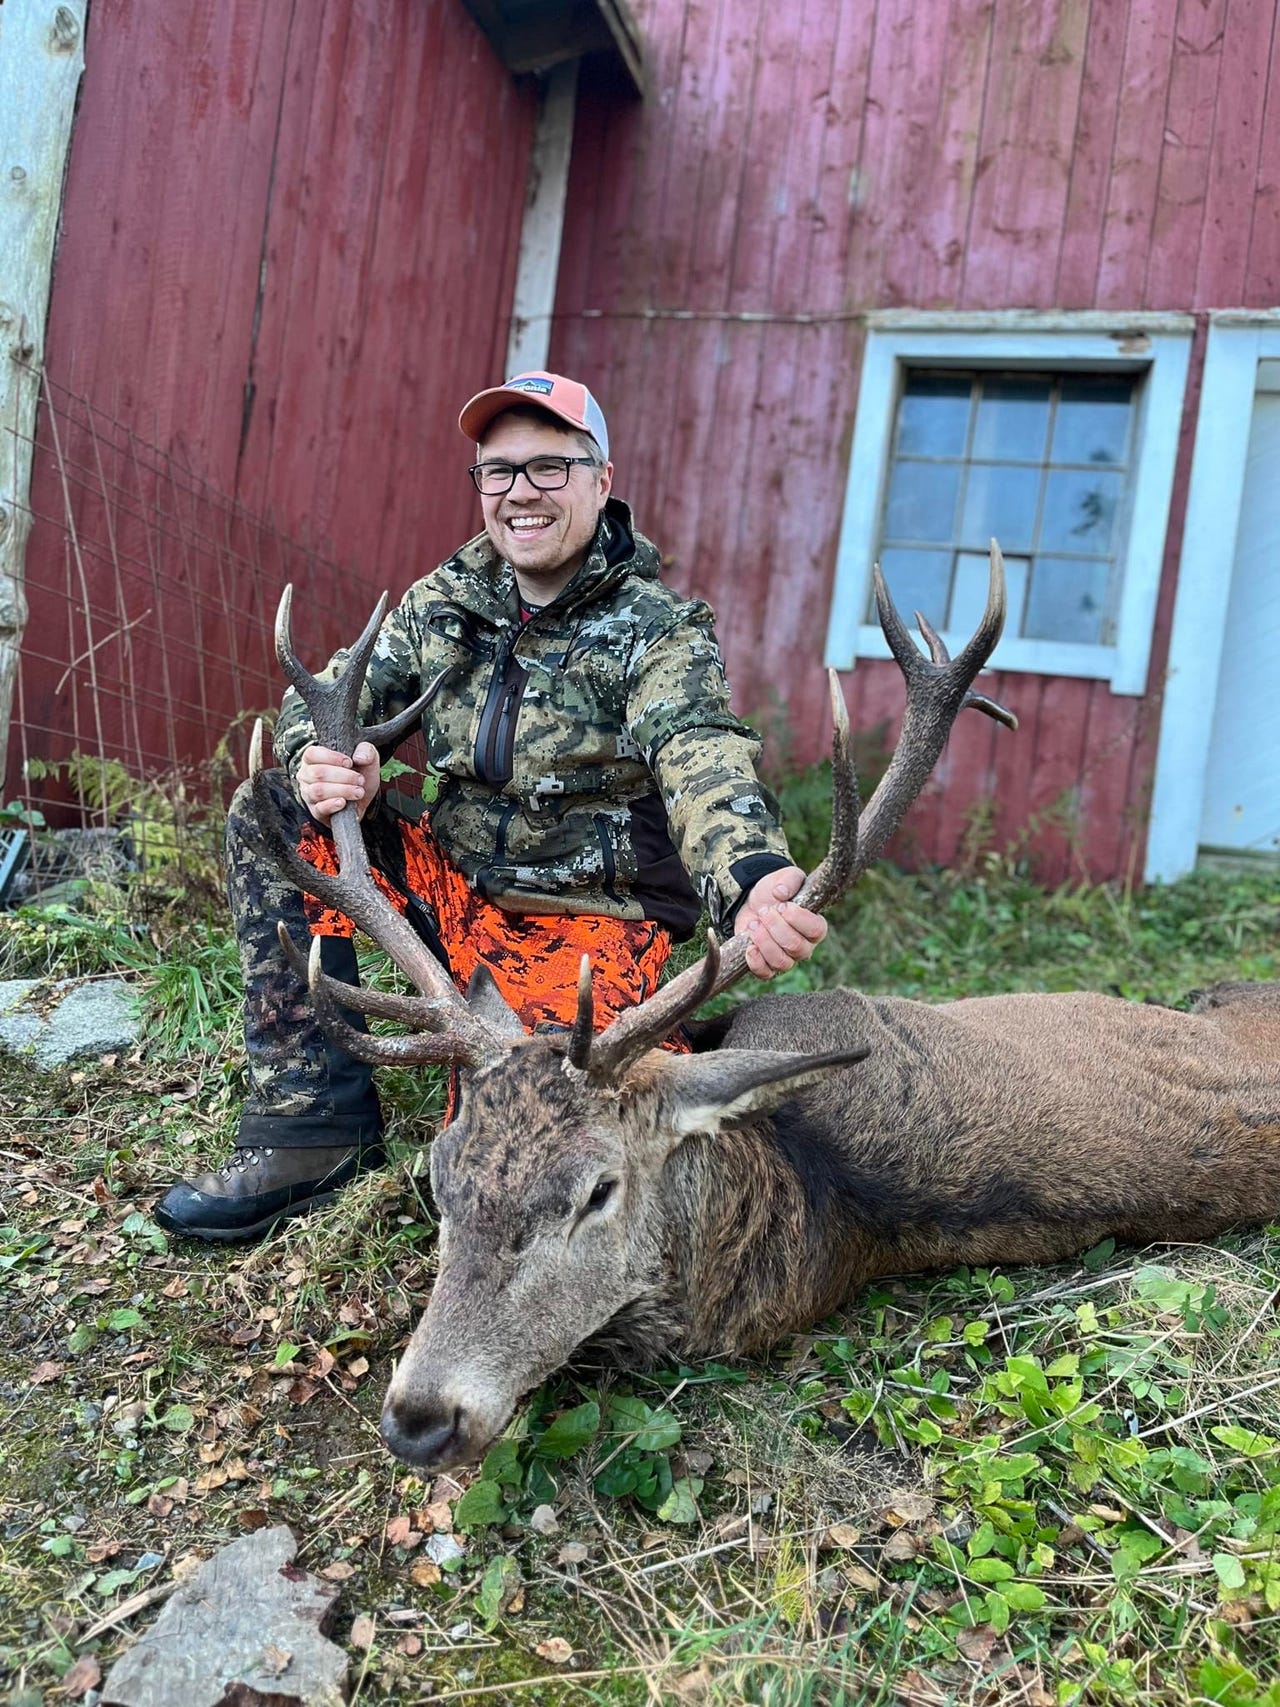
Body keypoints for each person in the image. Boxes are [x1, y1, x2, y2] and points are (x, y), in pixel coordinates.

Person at [155, 372, 826, 1242]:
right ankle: (310, 1127)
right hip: (454, 891)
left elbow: (700, 750)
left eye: (550, 467)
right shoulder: (447, 600)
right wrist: (326, 759)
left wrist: (753, 877)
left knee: (517, 1140)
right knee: (276, 807)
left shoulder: (656, 628)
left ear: (601, 481)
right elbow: (328, 699)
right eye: (498, 471)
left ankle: (646, 1046)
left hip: (589, 922)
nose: (521, 493)